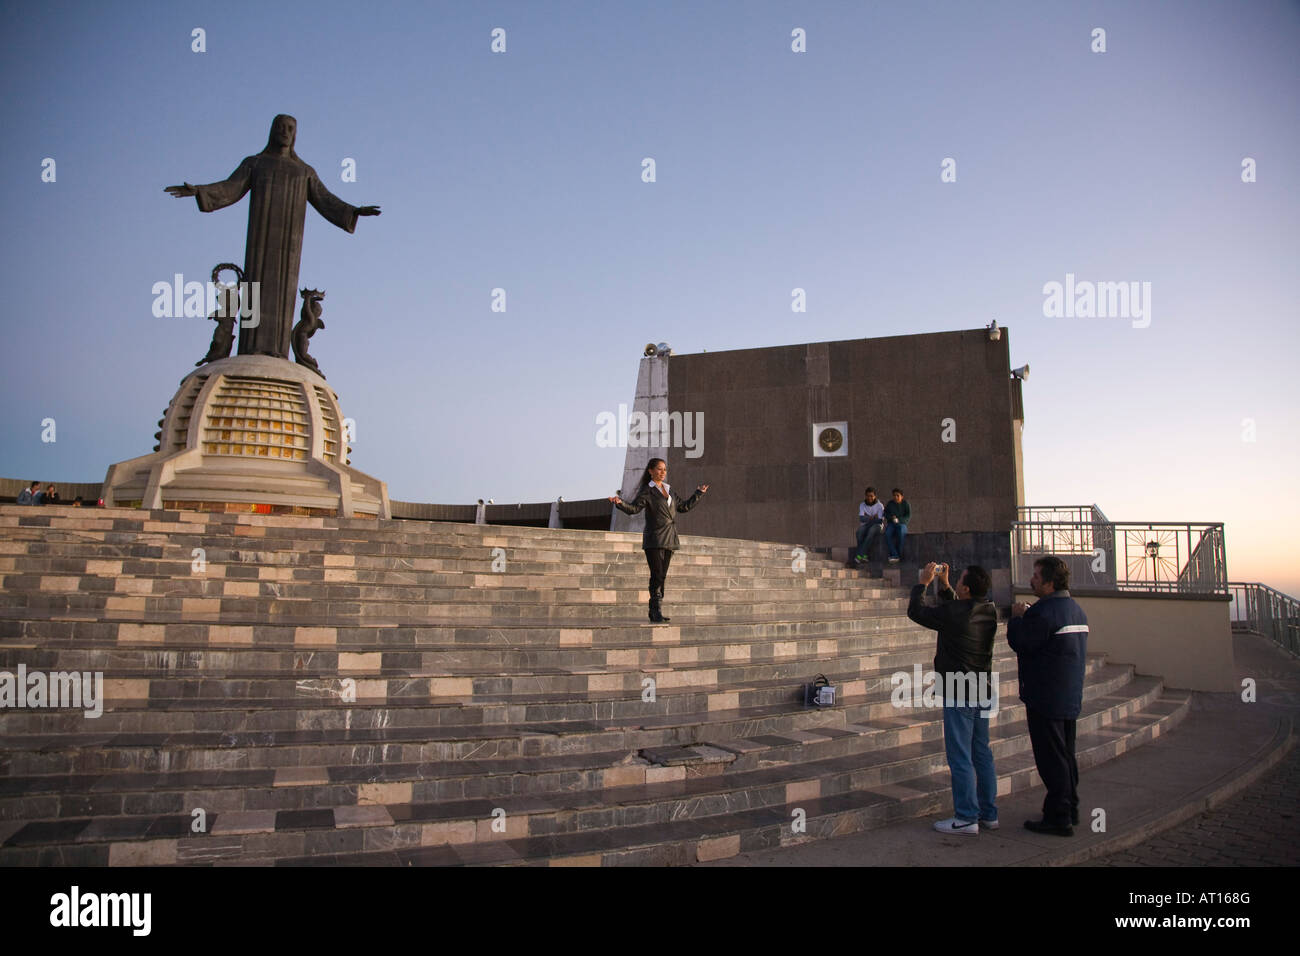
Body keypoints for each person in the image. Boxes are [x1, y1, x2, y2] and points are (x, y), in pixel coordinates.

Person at [908, 561, 999, 835]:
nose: (957, 583)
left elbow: (917, 612)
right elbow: (958, 610)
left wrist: (923, 583)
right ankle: (988, 814)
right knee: (981, 753)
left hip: (959, 691)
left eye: (960, 582)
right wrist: (945, 585)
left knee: (960, 756)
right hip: (982, 689)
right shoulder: (989, 611)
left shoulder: (956, 612)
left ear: (967, 588)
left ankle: (966, 817)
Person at [1008, 555, 1089, 837]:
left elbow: (1021, 642)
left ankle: (1059, 817)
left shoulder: (1044, 613)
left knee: (1051, 759)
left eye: (1036, 576)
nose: (1031, 580)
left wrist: (1018, 618)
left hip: (1046, 698)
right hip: (1068, 696)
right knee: (1066, 755)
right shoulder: (1075, 610)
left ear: (1050, 583)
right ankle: (1071, 807)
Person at [610, 458, 708, 623]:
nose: (663, 472)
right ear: (650, 471)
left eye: (665, 470)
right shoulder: (647, 491)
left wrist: (698, 494)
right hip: (654, 538)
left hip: (670, 538)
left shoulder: (669, 490)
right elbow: (634, 509)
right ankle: (655, 610)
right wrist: (620, 503)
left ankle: (656, 610)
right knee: (656, 574)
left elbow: (683, 507)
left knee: (662, 576)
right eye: (659, 469)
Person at [848, 487, 885, 566]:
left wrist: (867, 517)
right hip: (866, 524)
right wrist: (872, 517)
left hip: (877, 525)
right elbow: (861, 519)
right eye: (868, 496)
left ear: (875, 496)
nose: (870, 498)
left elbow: (880, 520)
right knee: (859, 532)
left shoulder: (880, 506)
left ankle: (859, 555)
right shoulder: (862, 505)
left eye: (871, 496)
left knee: (870, 532)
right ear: (865, 496)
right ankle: (864, 556)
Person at [884, 488, 911, 563]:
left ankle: (899, 555)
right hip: (891, 524)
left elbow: (908, 516)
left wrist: (899, 520)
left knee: (901, 533)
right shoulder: (890, 503)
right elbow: (885, 513)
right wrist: (891, 517)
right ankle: (895, 555)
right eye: (894, 495)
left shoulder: (906, 504)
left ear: (902, 496)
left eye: (897, 495)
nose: (895, 497)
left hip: (902, 524)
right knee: (887, 534)